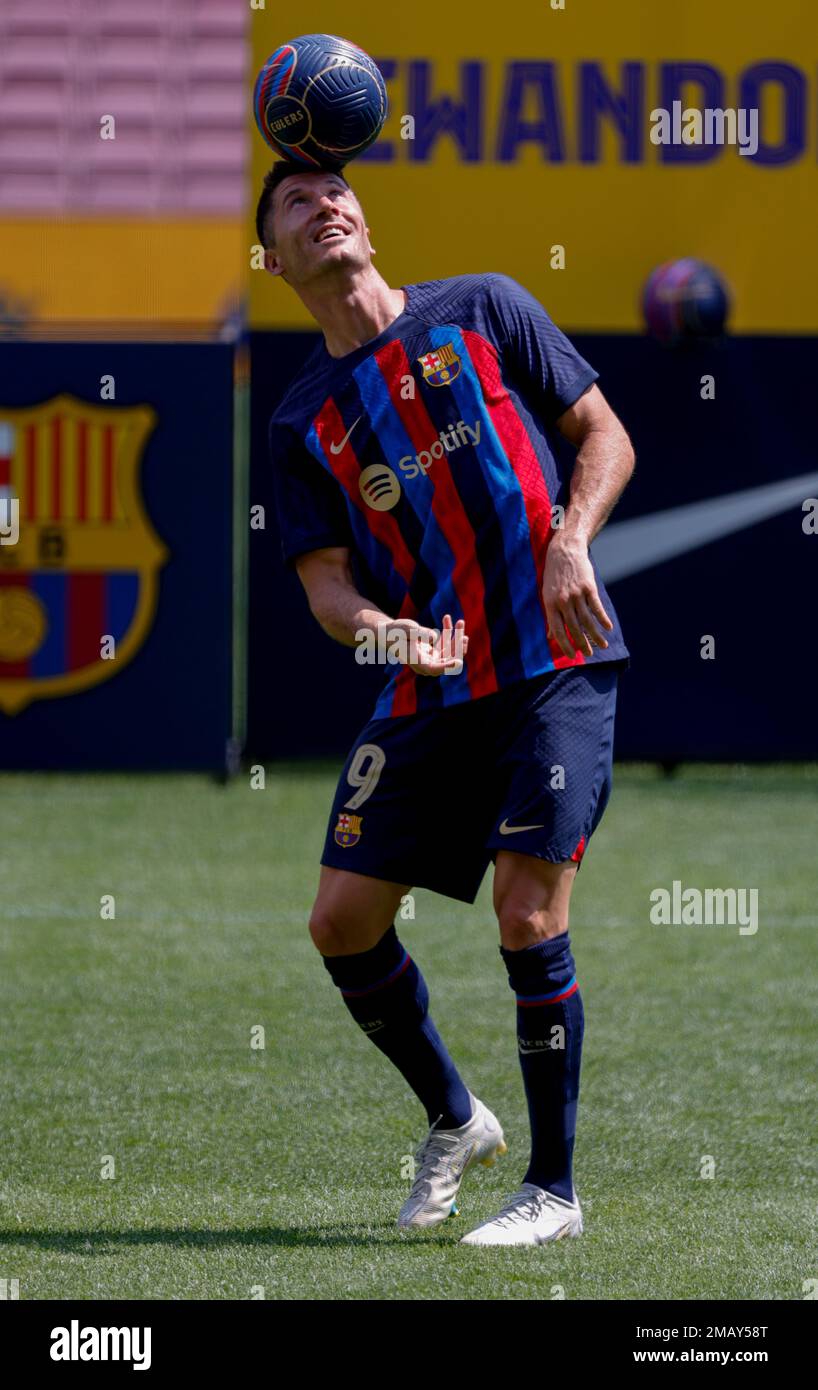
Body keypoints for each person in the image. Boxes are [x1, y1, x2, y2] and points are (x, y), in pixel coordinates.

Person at [259, 160, 635, 1246]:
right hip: (431, 681)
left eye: (335, 190)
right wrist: (385, 632)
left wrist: (569, 542)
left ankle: (554, 1191)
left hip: (554, 658)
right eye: (294, 202)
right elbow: (326, 587)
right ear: (273, 260)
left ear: (365, 222)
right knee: (340, 922)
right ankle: (455, 1115)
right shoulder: (301, 420)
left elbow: (604, 436)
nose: (323, 204)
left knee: (526, 912)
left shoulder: (482, 306)